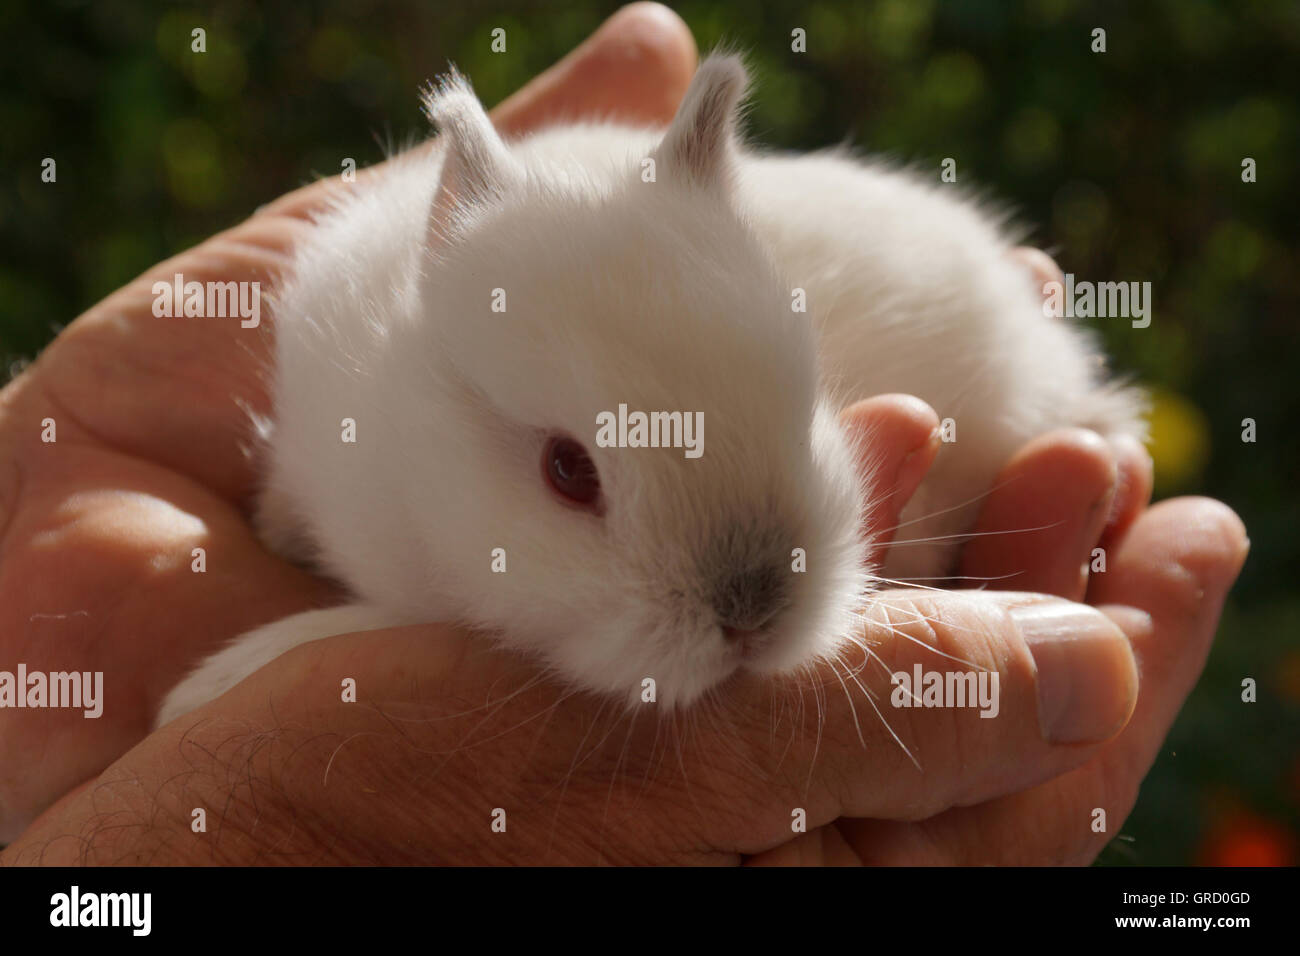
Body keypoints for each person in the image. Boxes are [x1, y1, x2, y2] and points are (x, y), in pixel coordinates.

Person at [0, 3, 1247, 865]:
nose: (748, 611)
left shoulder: (748, 293)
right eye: (571, 474)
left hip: (969, 330)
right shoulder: (369, 374)